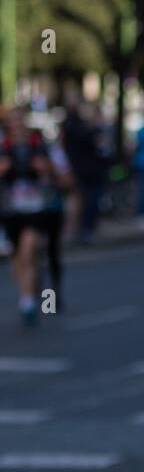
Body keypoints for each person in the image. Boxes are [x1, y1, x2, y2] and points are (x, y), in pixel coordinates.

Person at [0, 107, 62, 326]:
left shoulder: (38, 144)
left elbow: (55, 170)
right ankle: (27, 292)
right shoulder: (3, 146)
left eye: (19, 121)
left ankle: (28, 300)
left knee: (28, 250)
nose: (16, 125)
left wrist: (45, 168)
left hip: (35, 207)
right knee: (16, 256)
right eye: (12, 121)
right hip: (10, 209)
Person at [62, 101, 111, 245]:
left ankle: (77, 229)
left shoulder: (72, 128)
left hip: (79, 170)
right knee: (90, 199)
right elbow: (102, 150)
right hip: (91, 171)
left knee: (79, 199)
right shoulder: (90, 131)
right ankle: (85, 228)